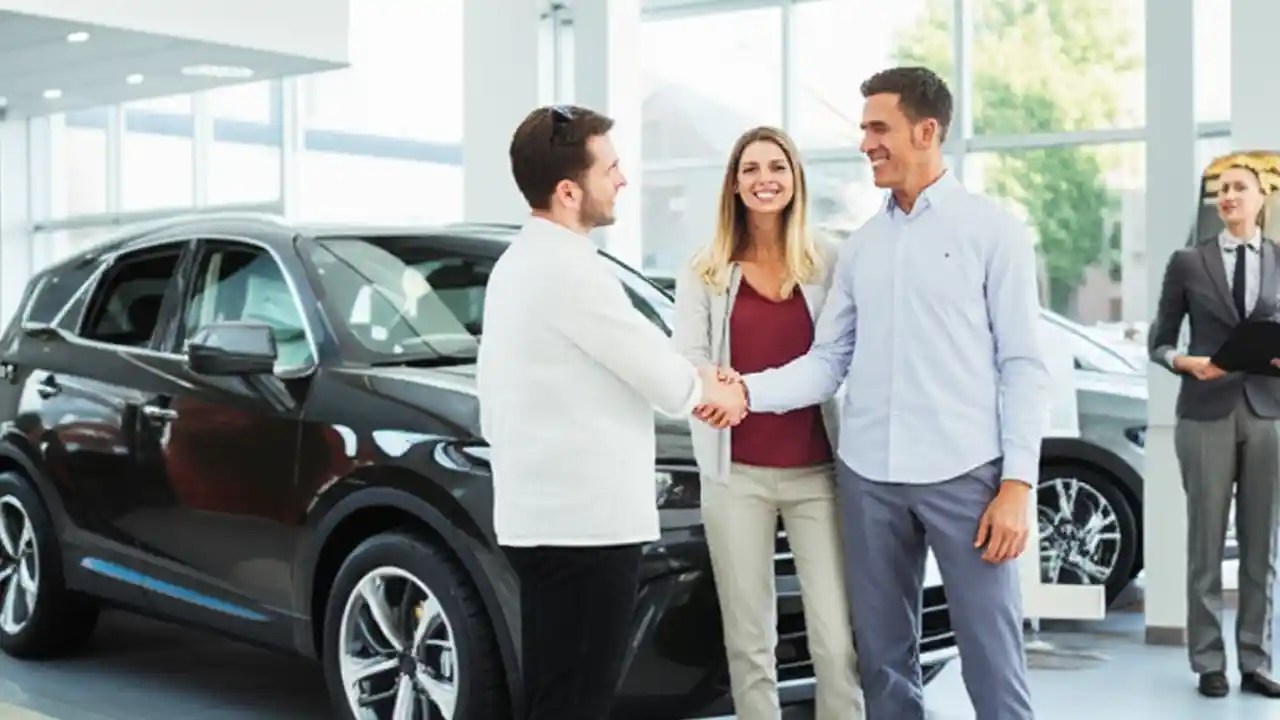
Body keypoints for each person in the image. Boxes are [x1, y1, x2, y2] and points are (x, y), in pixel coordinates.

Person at [705, 67, 1048, 720]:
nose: (866, 143)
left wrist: (1018, 484)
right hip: (868, 479)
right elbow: (827, 361)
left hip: (966, 477)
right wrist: (744, 390)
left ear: (927, 130)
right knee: (884, 663)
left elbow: (1025, 365)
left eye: (878, 128)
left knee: (992, 660)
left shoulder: (992, 232)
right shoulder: (860, 248)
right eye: (864, 129)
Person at [476, 104, 747, 720]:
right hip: (585, 530)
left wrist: (693, 378)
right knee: (577, 701)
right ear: (569, 191)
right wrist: (716, 390)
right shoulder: (570, 270)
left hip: (542, 520)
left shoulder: (517, 265)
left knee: (555, 692)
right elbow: (657, 373)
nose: (623, 179)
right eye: (612, 168)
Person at [673, 126, 863, 719]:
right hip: (736, 477)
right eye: (750, 169)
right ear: (734, 182)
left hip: (818, 474)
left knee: (836, 641)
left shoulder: (829, 260)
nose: (764, 180)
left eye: (776, 167)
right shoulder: (706, 268)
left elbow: (839, 358)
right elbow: (691, 361)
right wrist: (714, 387)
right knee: (750, 642)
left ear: (795, 178)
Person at [1149, 159, 1280, 699]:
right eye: (1221, 190)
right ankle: (1209, 660)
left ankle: (1256, 658)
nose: (1228, 197)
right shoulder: (1187, 262)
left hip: (1270, 411)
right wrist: (1185, 362)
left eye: (1238, 189)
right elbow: (1159, 339)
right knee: (1205, 542)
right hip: (1204, 409)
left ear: (1261, 198)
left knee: (1261, 545)